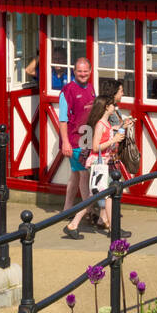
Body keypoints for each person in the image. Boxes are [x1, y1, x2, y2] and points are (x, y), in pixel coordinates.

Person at [60, 57, 97, 239]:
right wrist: (65, 142)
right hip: (74, 140)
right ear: (74, 72)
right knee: (84, 175)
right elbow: (63, 120)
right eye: (79, 71)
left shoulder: (91, 87)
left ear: (90, 71)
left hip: (87, 138)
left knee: (75, 174)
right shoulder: (67, 91)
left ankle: (67, 209)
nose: (83, 74)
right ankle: (87, 210)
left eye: (86, 71)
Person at [84, 95, 123, 233]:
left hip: (104, 163)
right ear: (107, 107)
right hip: (98, 163)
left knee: (93, 197)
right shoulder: (100, 124)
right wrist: (114, 140)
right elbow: (95, 147)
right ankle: (114, 229)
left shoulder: (106, 124)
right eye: (112, 105)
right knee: (107, 196)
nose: (115, 107)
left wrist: (121, 127)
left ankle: (73, 224)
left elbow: (109, 133)